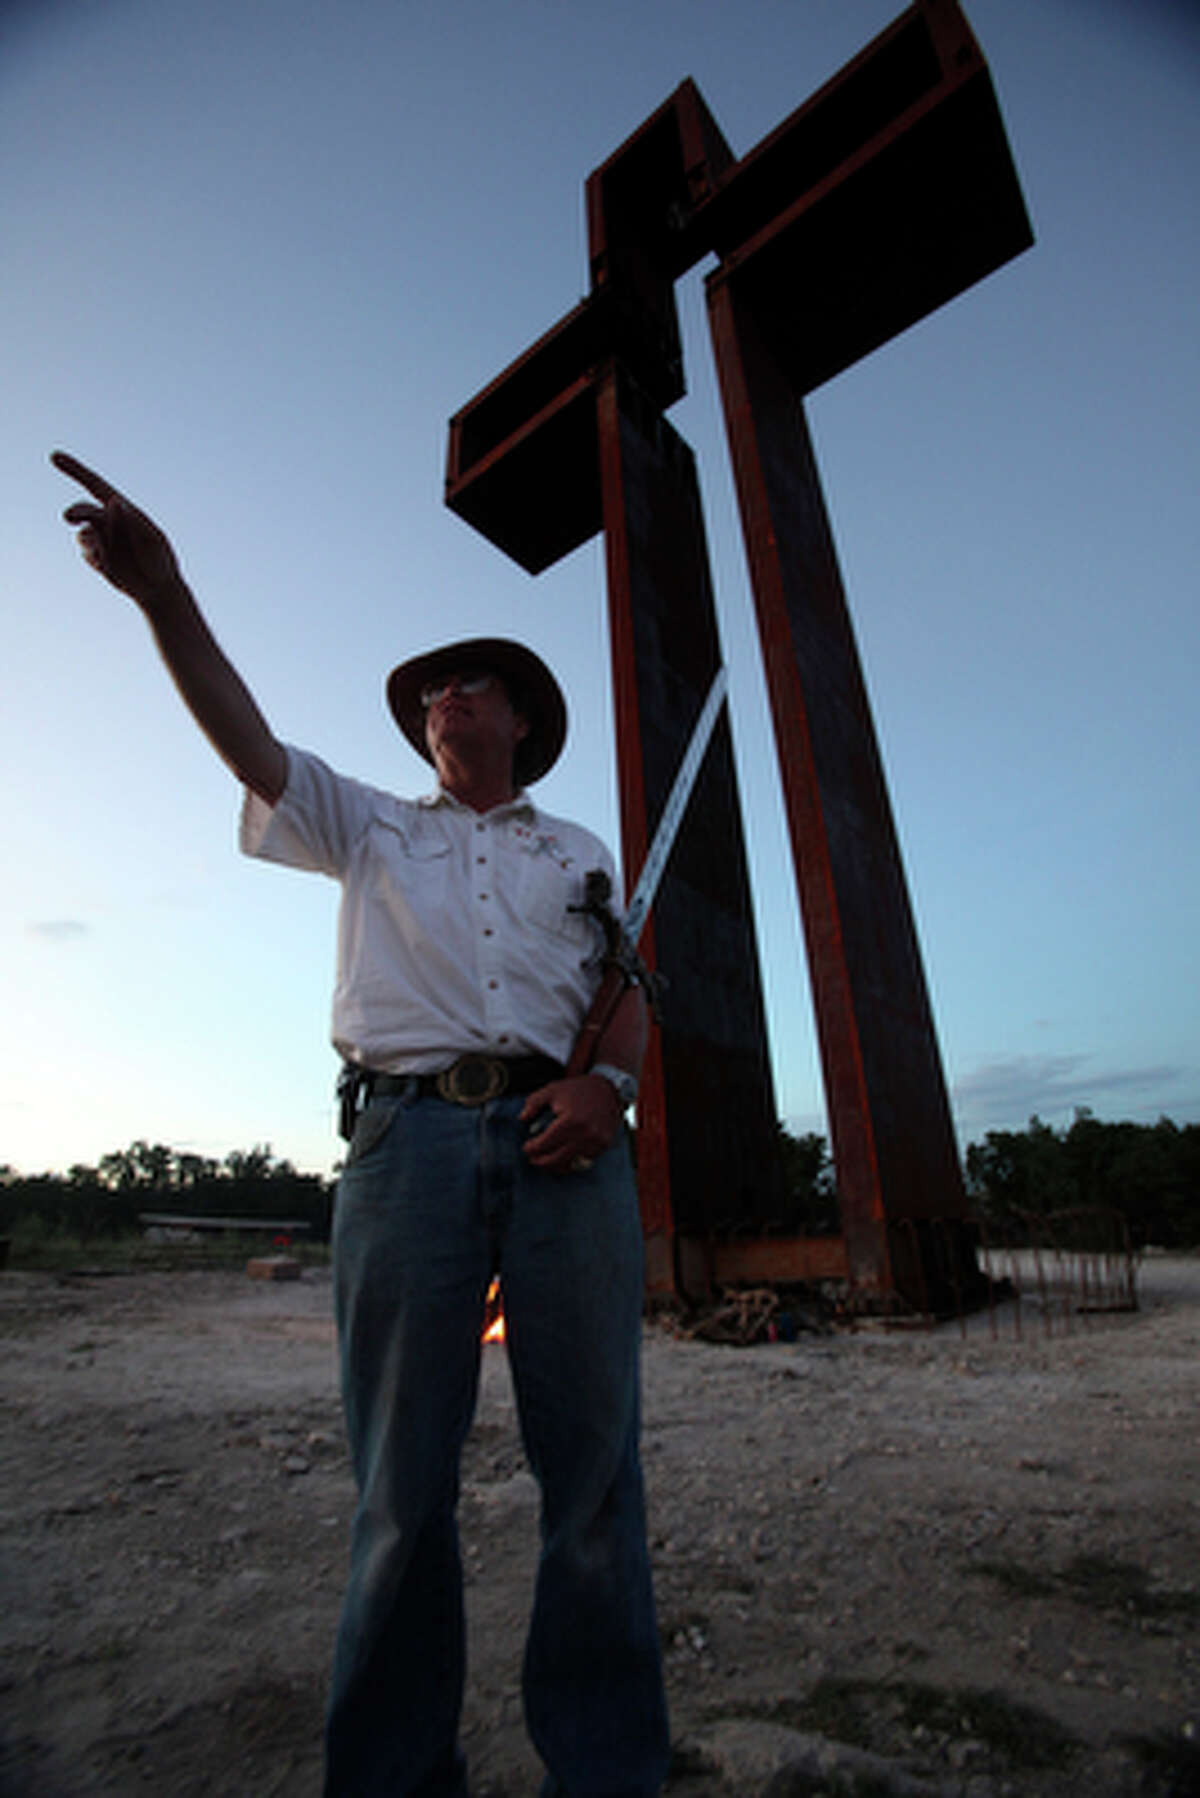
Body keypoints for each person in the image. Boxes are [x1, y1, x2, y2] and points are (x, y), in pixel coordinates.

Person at [53, 450, 671, 1798]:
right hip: (403, 1151)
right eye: (428, 692)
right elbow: (244, 734)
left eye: (465, 682)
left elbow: (627, 997)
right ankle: (392, 1777)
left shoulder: (579, 851)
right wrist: (166, 599)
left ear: (515, 716)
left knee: (597, 1481)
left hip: (565, 1155)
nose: (439, 699)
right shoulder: (369, 823)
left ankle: (610, 1772)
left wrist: (608, 1088)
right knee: (402, 1493)